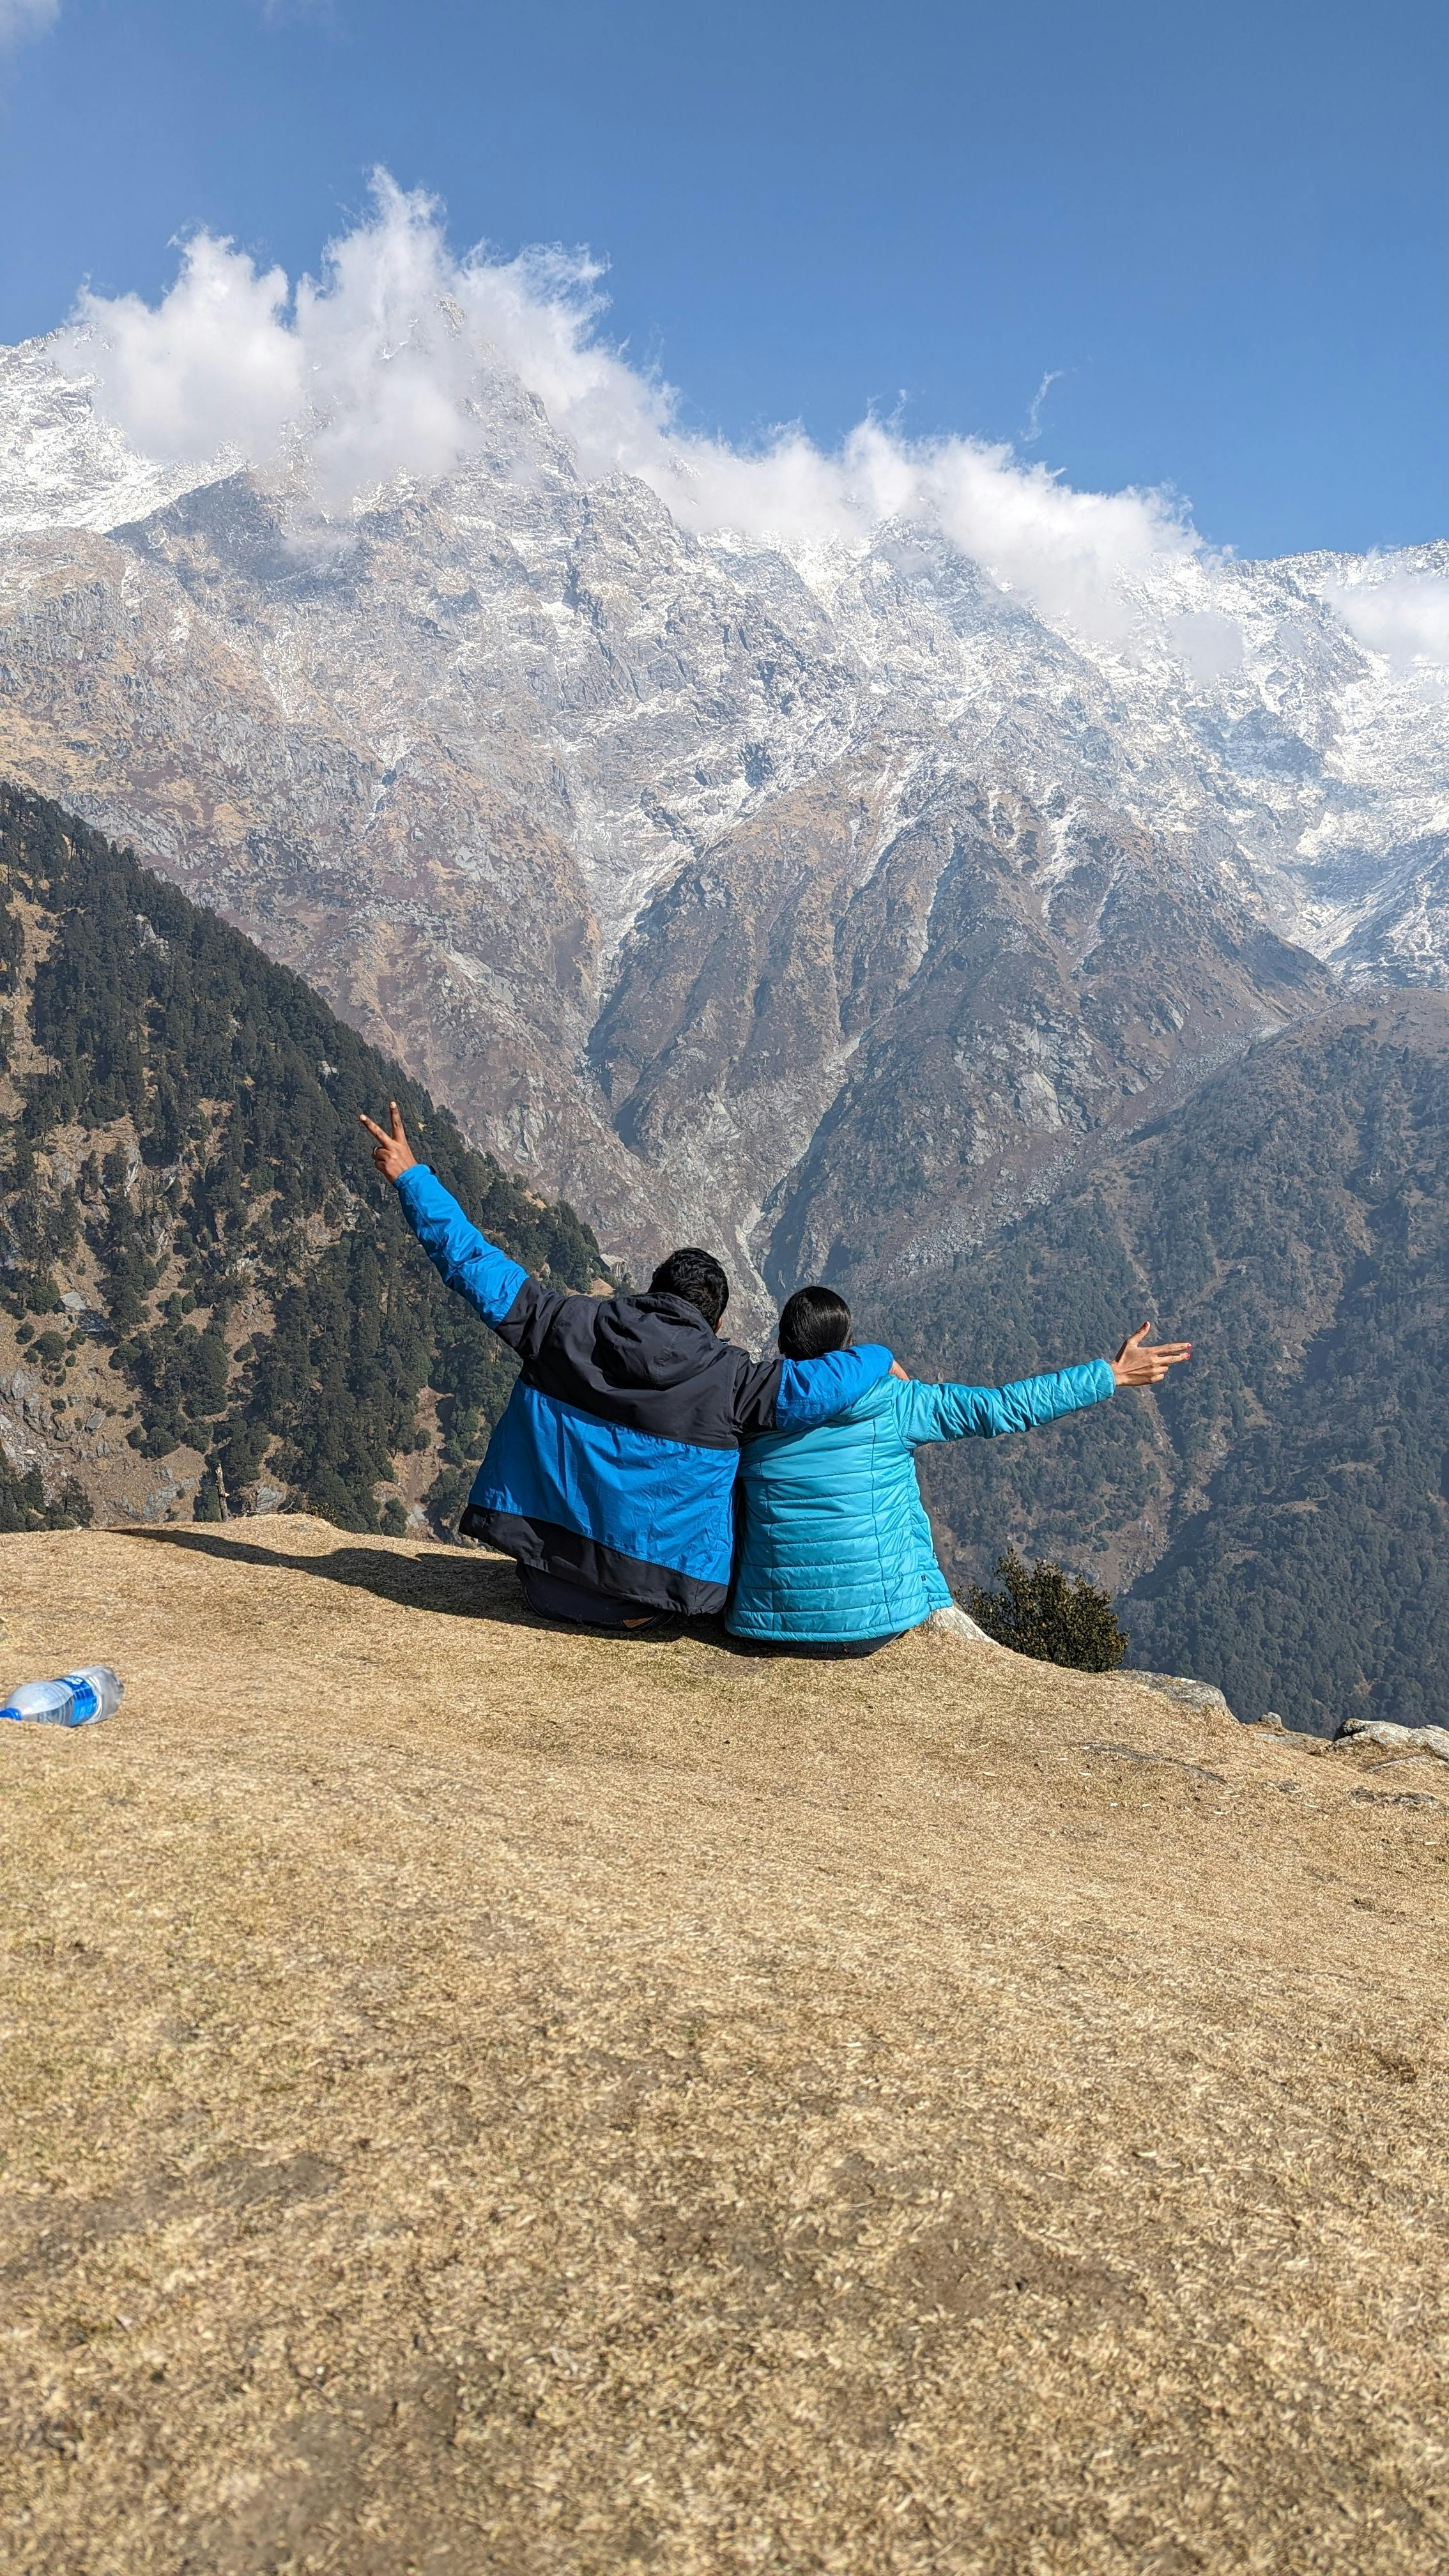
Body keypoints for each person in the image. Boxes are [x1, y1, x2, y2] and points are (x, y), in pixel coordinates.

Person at [360, 1103, 901, 1628]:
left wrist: (411, 1178)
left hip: (546, 1581)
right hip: (650, 1603)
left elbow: (473, 1263)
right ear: (713, 1324)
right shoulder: (732, 1379)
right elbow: (816, 1386)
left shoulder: (558, 1323)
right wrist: (878, 1356)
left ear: (651, 1294)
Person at [727, 1283, 1191, 1656]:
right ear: (849, 1348)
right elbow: (1005, 1407)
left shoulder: (745, 1406)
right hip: (872, 1627)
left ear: (785, 1344)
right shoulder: (898, 1405)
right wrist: (1111, 1374)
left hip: (769, 1624)